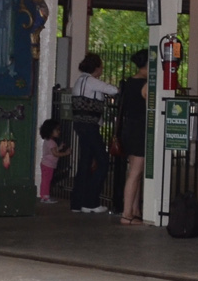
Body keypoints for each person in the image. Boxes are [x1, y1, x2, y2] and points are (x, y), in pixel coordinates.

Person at [68, 54, 117, 213]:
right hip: (90, 126)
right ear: (96, 68)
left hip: (80, 125)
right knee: (103, 161)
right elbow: (113, 90)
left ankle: (78, 202)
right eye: (101, 66)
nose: (102, 69)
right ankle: (91, 201)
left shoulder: (79, 81)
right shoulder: (91, 81)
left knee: (85, 162)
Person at [115, 51, 151, 225]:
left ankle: (135, 210)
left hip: (128, 129)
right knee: (135, 174)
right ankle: (127, 213)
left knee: (134, 172)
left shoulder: (128, 82)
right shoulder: (146, 85)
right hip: (139, 130)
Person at [38, 119, 68, 203]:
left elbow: (52, 152)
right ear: (51, 131)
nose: (59, 131)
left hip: (46, 164)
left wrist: (59, 148)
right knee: (47, 180)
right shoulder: (52, 142)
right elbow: (55, 154)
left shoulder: (48, 141)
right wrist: (65, 153)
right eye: (57, 130)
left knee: (45, 180)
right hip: (48, 165)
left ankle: (43, 196)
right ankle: (45, 196)